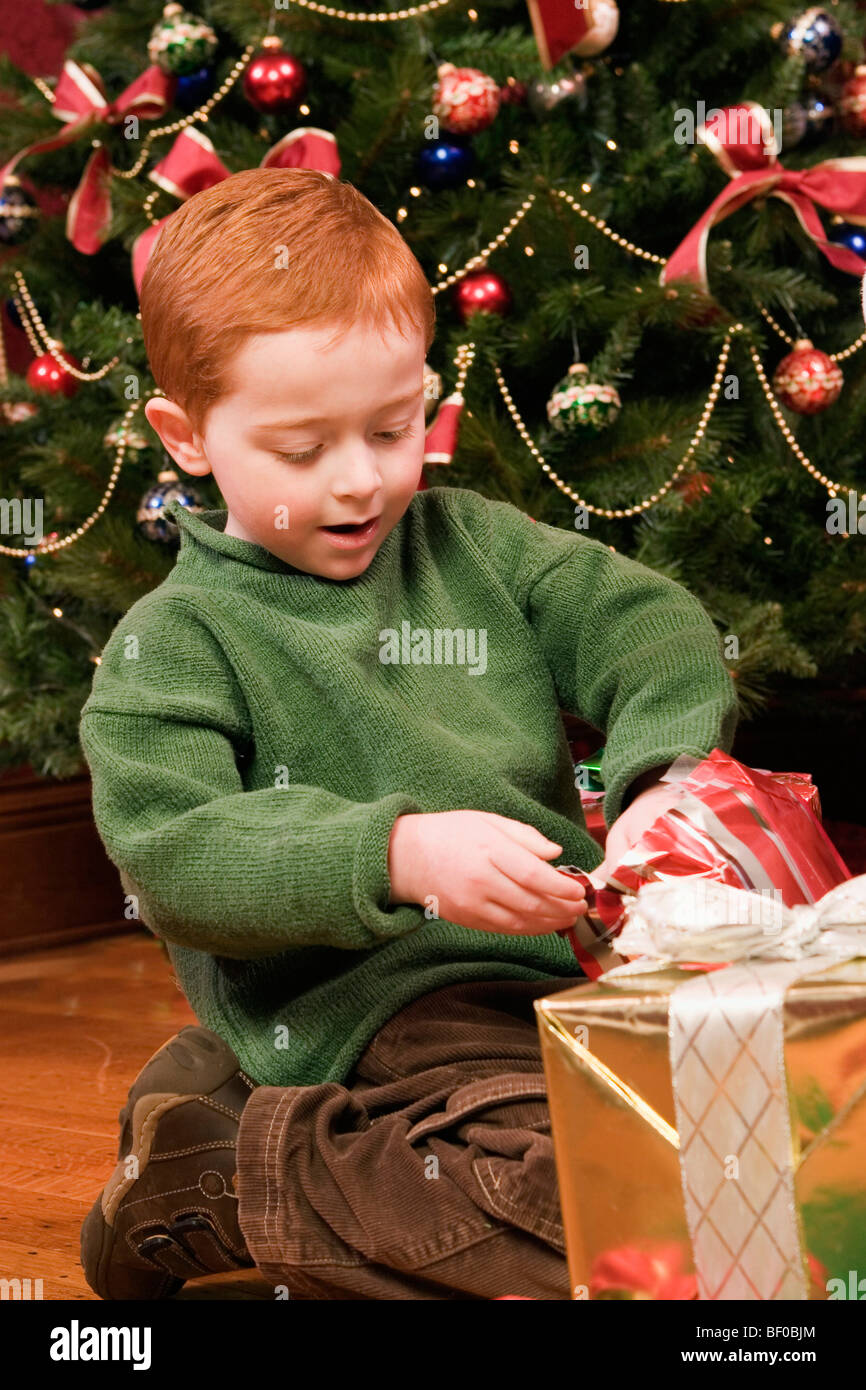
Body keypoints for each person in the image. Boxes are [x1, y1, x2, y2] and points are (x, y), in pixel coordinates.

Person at [78, 167, 738, 1301]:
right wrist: (396, 855)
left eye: (391, 429)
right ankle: (240, 1171)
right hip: (389, 1007)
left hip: (580, 975)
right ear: (186, 438)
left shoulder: (469, 542)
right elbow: (177, 856)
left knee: (759, 1144)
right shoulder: (175, 643)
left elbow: (650, 626)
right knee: (608, 1221)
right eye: (299, 452)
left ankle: (251, 1105)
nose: (358, 482)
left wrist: (657, 783)